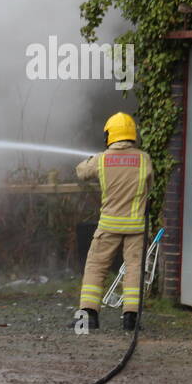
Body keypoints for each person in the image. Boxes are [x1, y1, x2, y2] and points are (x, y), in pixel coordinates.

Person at [73, 112, 151, 332]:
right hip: (136, 226)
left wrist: (93, 159)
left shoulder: (102, 159)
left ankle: (88, 316)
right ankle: (130, 319)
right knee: (135, 269)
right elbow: (149, 186)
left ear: (110, 134)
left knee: (96, 267)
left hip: (108, 226)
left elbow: (81, 172)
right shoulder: (144, 159)